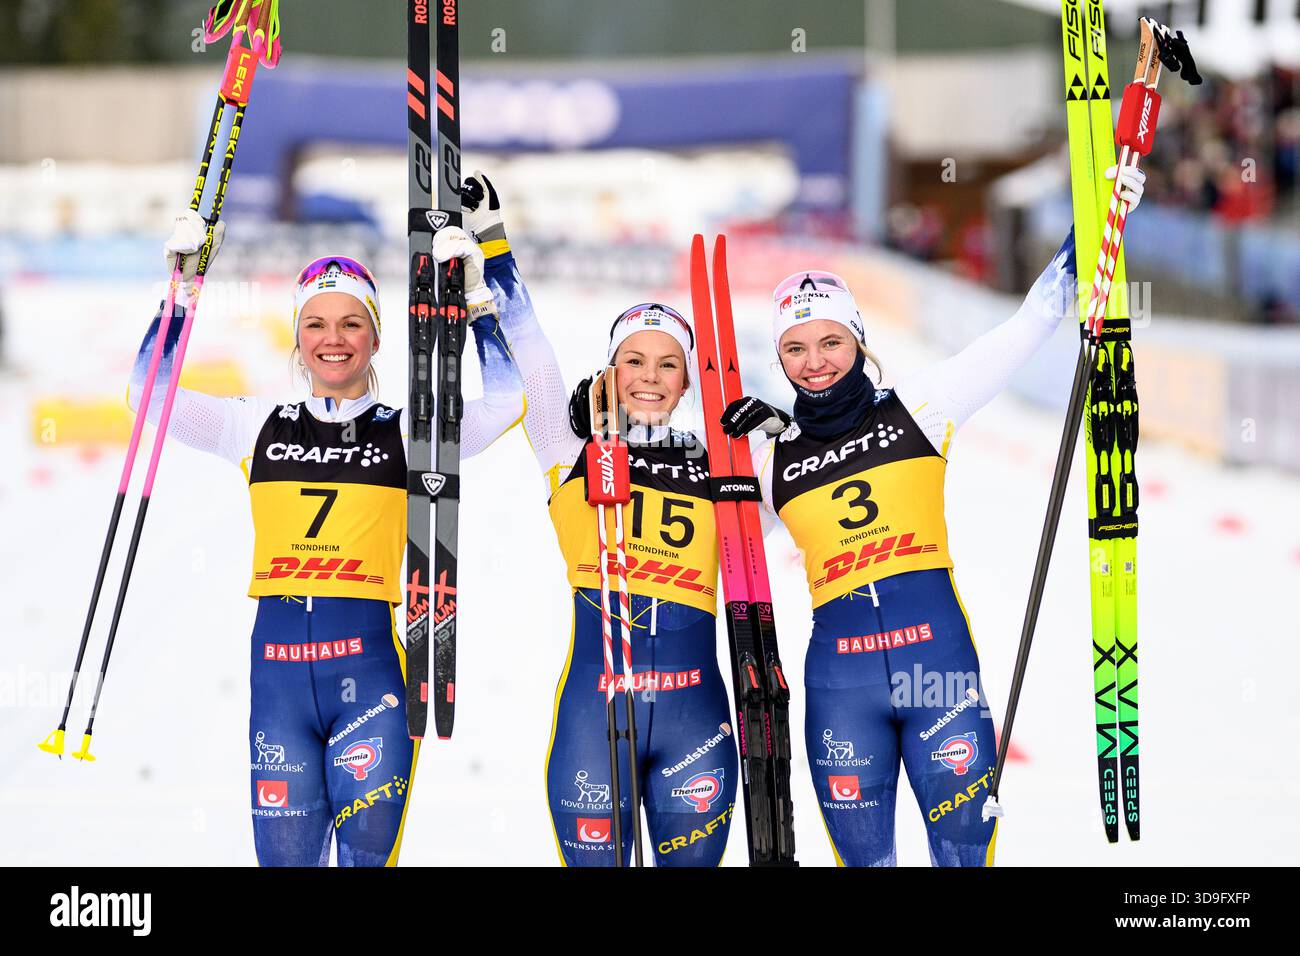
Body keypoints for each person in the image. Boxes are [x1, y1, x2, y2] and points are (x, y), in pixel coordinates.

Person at [720, 167, 1147, 866]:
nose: (814, 362)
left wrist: (1102, 220)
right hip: (840, 692)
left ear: (858, 337)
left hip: (940, 676)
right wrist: (725, 464)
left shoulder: (922, 405)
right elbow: (713, 556)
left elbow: (1032, 321)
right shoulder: (774, 461)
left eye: (829, 341)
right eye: (794, 349)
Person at [126, 212, 523, 865]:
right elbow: (148, 392)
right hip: (276, 685)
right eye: (315, 323)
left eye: (350, 323)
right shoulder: (253, 425)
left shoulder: (408, 433)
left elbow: (506, 404)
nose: (332, 339)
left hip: (369, 677)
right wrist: (182, 291)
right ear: (297, 337)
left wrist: (478, 303)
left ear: (375, 338)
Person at [462, 172, 738, 866]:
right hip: (595, 721)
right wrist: (493, 253)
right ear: (609, 373)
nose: (649, 375)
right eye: (633, 360)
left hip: (696, 726)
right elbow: (536, 359)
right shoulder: (569, 450)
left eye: (668, 364)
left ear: (686, 381)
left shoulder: (726, 469)